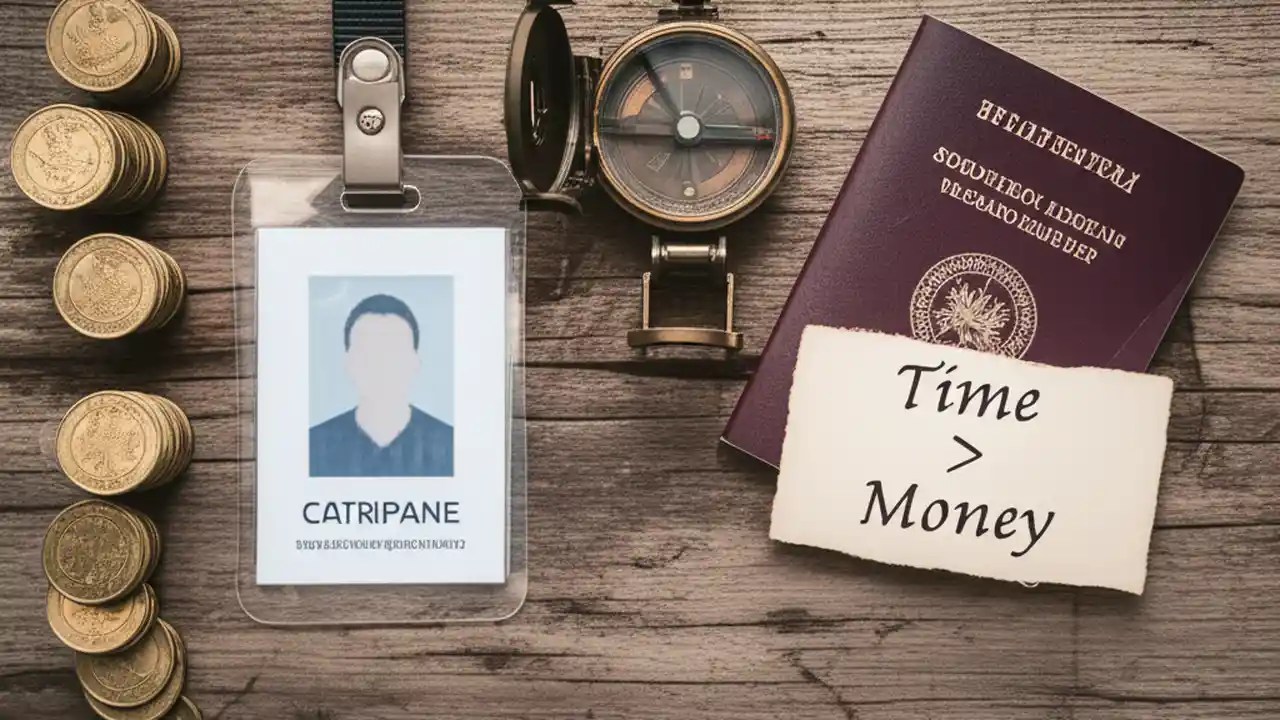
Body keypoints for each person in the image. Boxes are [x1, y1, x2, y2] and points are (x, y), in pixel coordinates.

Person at [310, 294, 454, 477]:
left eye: (394, 352)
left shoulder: (451, 447)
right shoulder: (313, 447)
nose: (382, 365)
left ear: (415, 362)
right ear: (348, 362)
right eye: (368, 352)